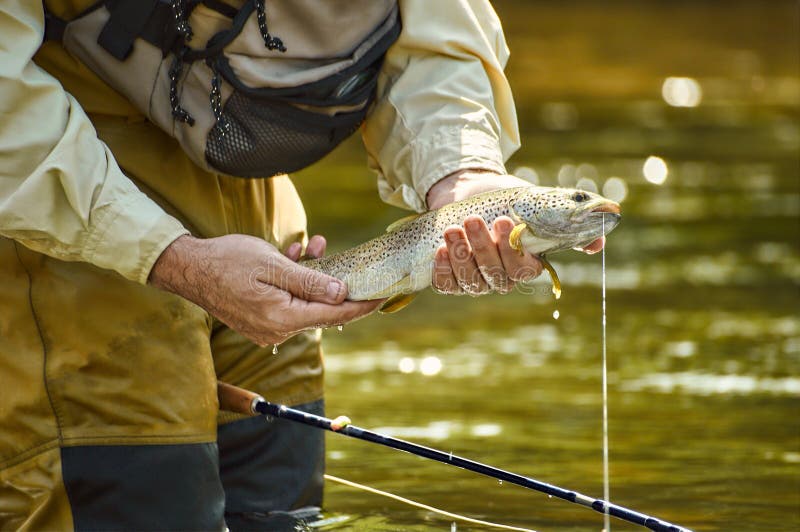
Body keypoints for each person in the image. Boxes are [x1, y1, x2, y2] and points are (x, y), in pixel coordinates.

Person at [0, 0, 602, 529]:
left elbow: (432, 19)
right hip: (64, 209)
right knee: (153, 497)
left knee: (281, 508)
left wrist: (460, 171)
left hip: (255, 203)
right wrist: (173, 258)